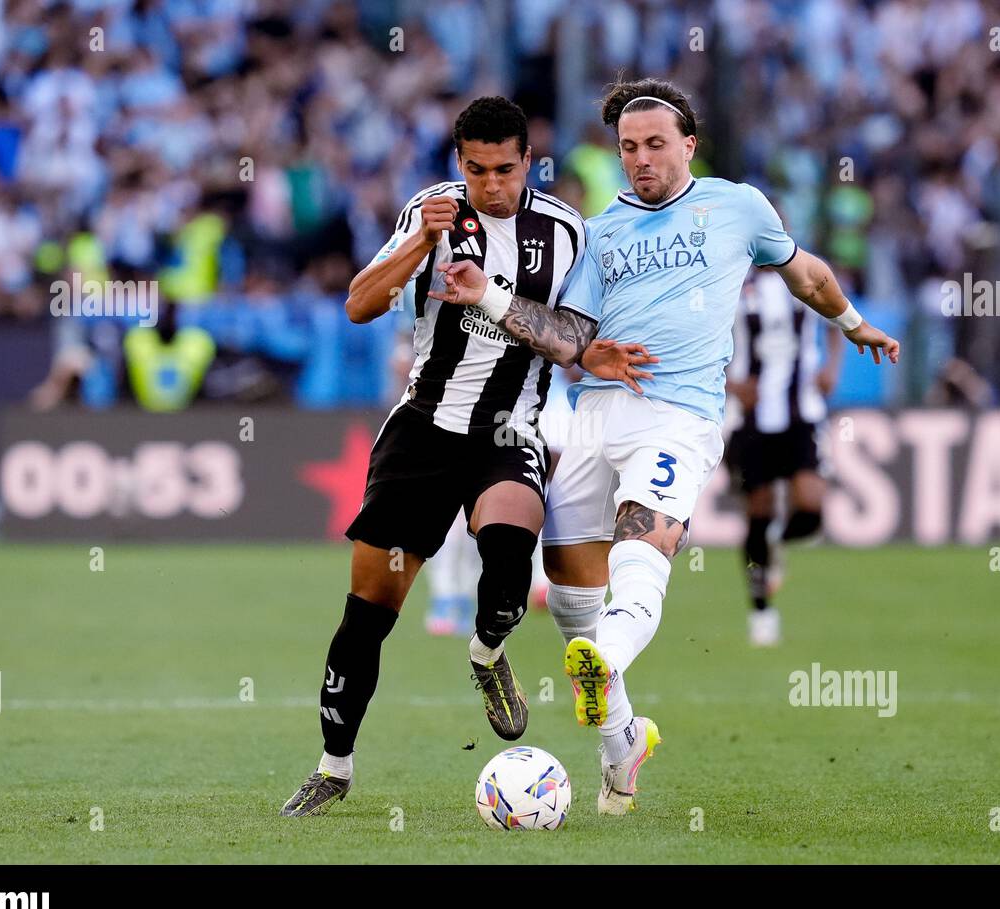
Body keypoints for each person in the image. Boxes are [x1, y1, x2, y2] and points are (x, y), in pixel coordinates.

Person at [430, 78, 899, 815]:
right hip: (589, 416)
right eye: (627, 147)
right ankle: (622, 743)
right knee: (572, 590)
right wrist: (486, 295)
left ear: (688, 145)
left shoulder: (737, 206)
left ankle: (606, 662)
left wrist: (852, 322)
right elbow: (569, 339)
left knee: (638, 549)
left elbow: (802, 270)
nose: (640, 159)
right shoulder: (600, 231)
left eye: (654, 145)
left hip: (677, 414)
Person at [281, 96, 653, 816]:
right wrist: (421, 243)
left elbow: (573, 339)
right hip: (421, 429)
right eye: (476, 169)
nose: (490, 184)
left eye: (504, 169)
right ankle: (334, 766)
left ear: (528, 162)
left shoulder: (566, 232)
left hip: (510, 430)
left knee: (511, 558)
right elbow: (359, 304)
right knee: (369, 613)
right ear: (459, 163)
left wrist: (491, 297)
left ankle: (486, 654)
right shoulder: (430, 210)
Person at [726, 269, 843, 647]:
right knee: (757, 513)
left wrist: (831, 370)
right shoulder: (731, 286)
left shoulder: (806, 281)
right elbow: (701, 340)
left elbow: (838, 316)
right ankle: (761, 610)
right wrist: (731, 383)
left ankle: (778, 541)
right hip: (752, 416)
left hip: (801, 413)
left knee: (811, 508)